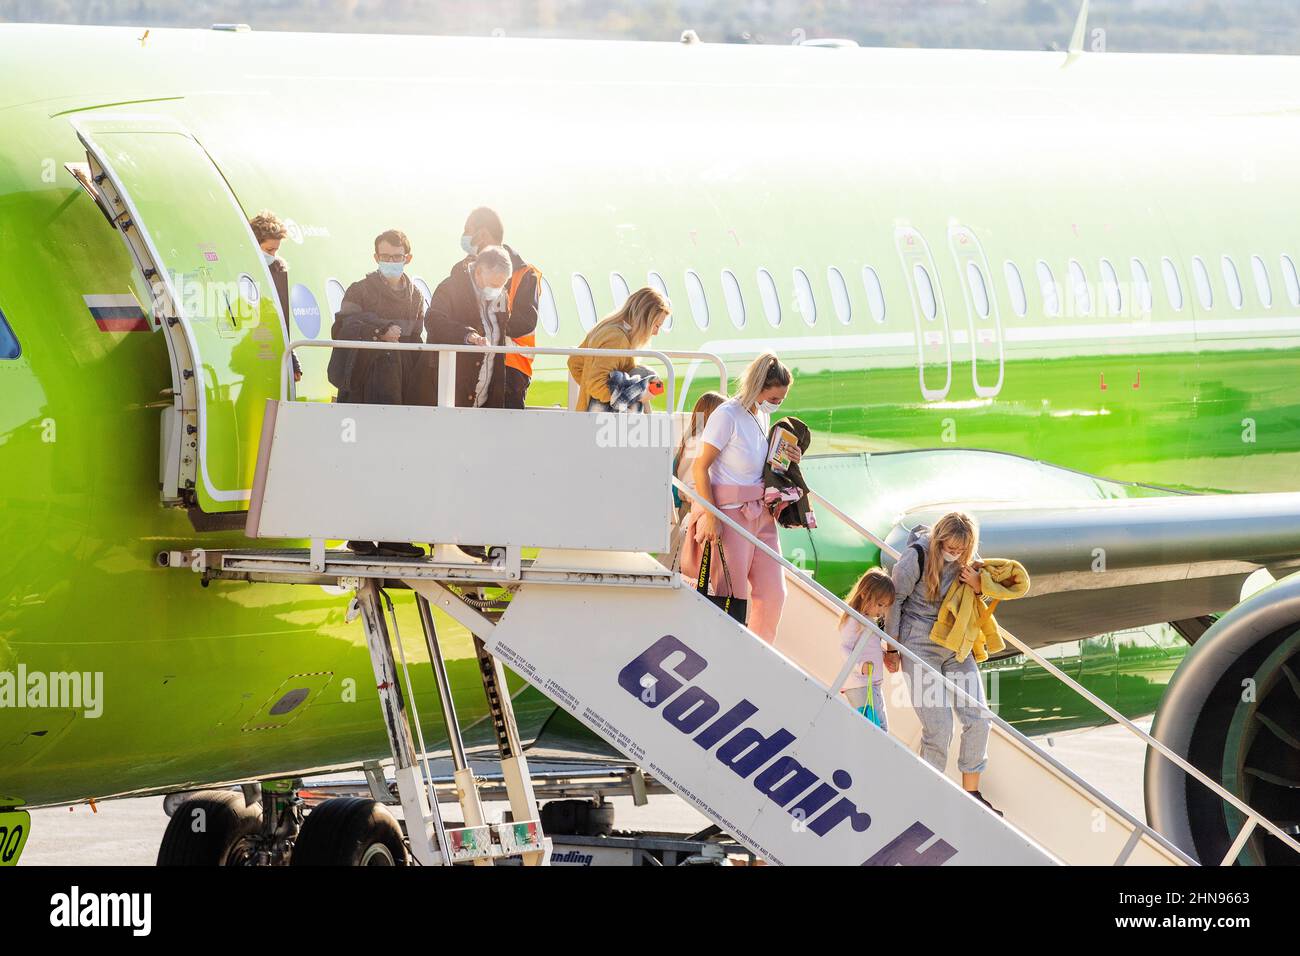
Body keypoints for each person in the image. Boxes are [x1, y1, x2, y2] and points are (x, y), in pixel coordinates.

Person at [885, 511, 1001, 815]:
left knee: (979, 717)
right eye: (950, 547)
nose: (955, 553)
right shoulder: (916, 557)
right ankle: (927, 798)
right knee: (939, 728)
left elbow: (984, 597)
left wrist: (979, 584)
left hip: (954, 643)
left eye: (961, 549)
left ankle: (971, 792)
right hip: (919, 641)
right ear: (938, 539)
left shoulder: (968, 557)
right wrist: (892, 647)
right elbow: (895, 599)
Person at [682, 353, 795, 643]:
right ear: (759, 387)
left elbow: (760, 464)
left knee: (774, 594)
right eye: (775, 397)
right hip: (730, 514)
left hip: (761, 513)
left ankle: (758, 654)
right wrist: (709, 515)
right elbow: (700, 466)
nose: (778, 404)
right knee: (730, 594)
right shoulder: (727, 415)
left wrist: (789, 457)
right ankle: (724, 654)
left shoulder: (762, 414)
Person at [335, 229, 426, 558]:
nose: (390, 262)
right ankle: (360, 534)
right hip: (364, 390)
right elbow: (343, 325)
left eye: (396, 257)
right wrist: (378, 329)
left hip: (400, 390)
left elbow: (418, 343)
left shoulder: (416, 295)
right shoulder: (360, 290)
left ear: (407, 258)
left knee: (398, 463)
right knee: (366, 463)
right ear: (375, 258)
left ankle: (393, 536)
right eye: (384, 257)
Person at [457, 208, 540, 408]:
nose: (464, 238)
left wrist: (488, 324)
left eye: (468, 231)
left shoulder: (524, 273)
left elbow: (525, 322)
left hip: (510, 369)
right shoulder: (465, 269)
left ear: (483, 234)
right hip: (475, 365)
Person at [422, 245, 516, 408]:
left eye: (501, 285)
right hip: (452, 396)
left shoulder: (501, 295)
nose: (497, 290)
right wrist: (468, 335)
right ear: (478, 271)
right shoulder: (450, 288)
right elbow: (434, 321)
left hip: (486, 398)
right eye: (493, 284)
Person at [567, 288, 670, 411]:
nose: (656, 333)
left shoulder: (606, 326)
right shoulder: (617, 339)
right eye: (656, 325)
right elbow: (596, 384)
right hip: (603, 421)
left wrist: (587, 388)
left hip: (589, 413)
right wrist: (633, 395)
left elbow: (574, 362)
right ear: (644, 319)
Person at [837, 568, 898, 731]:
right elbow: (844, 648)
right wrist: (860, 666)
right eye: (880, 604)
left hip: (871, 684)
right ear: (864, 594)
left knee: (879, 728)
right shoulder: (854, 619)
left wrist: (883, 655)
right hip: (860, 684)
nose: (882, 611)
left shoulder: (867, 620)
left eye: (885, 607)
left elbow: (868, 647)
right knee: (877, 729)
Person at [249, 210, 300, 383]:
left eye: (276, 250)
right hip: (249, 350)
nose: (273, 256)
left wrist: (292, 361)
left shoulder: (278, 270)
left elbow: (282, 321)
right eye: (268, 250)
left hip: (270, 351)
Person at [673, 391, 725, 519]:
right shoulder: (700, 441)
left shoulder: (692, 437)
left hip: (691, 502)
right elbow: (693, 479)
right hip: (692, 505)